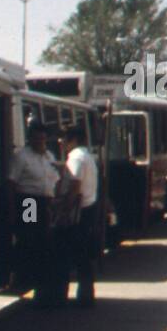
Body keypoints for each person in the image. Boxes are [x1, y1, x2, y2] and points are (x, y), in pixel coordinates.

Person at [7, 123, 61, 300]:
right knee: (28, 236)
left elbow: (55, 178)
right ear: (30, 139)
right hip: (29, 200)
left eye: (43, 139)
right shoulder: (22, 156)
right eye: (37, 138)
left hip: (46, 201)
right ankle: (25, 277)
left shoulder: (49, 156)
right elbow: (12, 183)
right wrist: (13, 209)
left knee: (45, 239)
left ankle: (40, 277)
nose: (40, 142)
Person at [61, 125, 99, 307]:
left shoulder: (75, 158)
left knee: (74, 254)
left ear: (73, 140)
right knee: (83, 253)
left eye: (64, 138)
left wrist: (63, 211)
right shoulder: (88, 157)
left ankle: (79, 295)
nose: (61, 142)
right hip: (88, 208)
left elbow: (74, 187)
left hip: (77, 212)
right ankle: (86, 294)